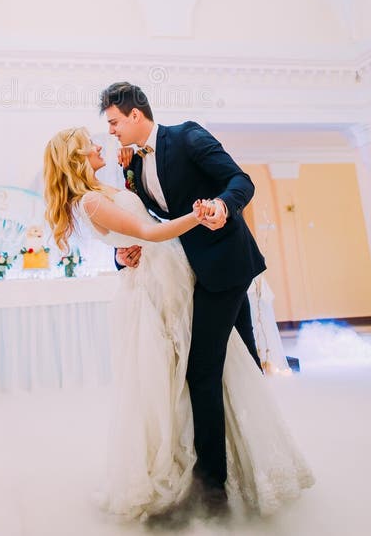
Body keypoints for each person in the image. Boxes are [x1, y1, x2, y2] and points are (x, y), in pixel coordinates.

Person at [43, 126, 314, 521]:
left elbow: (134, 224)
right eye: (91, 142)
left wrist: (130, 181)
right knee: (175, 382)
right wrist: (198, 215)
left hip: (180, 279)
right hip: (158, 292)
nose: (102, 142)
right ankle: (194, 479)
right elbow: (149, 231)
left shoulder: (104, 189)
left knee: (215, 370)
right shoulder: (89, 202)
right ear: (76, 157)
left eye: (108, 129)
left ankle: (226, 469)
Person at [99, 81, 266, 499]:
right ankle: (247, 461)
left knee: (202, 369)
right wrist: (122, 258)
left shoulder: (188, 135)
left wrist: (223, 207)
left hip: (226, 265)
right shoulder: (133, 168)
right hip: (189, 274)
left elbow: (239, 180)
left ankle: (214, 485)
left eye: (115, 122)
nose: (112, 131)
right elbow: (140, 227)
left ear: (136, 115)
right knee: (237, 367)